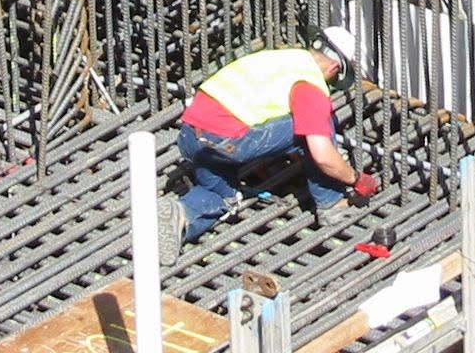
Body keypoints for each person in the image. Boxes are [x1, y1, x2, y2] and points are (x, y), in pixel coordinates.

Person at [158, 26, 379, 265]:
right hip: (227, 141)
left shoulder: (280, 58)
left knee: (223, 199)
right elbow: (322, 155)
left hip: (191, 136)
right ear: (336, 68)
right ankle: (332, 204)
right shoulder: (310, 86)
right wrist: (355, 179)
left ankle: (180, 214)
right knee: (314, 128)